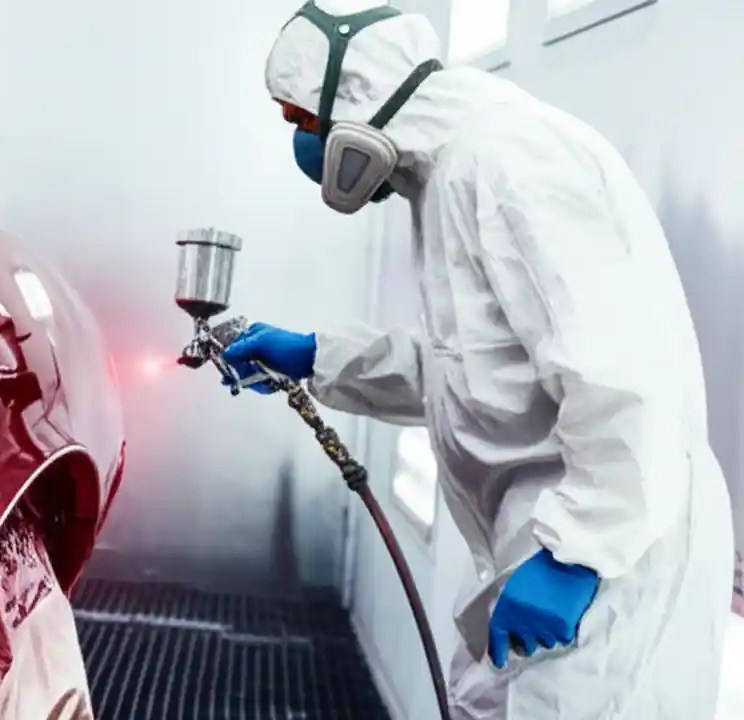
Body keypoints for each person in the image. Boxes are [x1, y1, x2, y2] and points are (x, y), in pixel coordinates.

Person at [222, 2, 737, 718]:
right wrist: (315, 356)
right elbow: (475, 374)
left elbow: (626, 374)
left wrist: (575, 554)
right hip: (547, 545)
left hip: (612, 567)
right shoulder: (445, 174)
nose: (301, 146)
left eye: (297, 120)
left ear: (355, 97)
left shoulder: (507, 158)